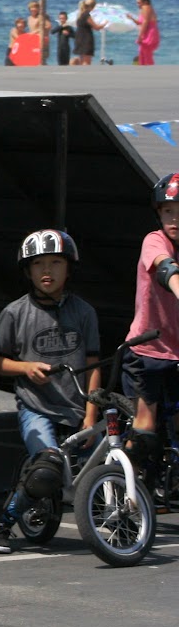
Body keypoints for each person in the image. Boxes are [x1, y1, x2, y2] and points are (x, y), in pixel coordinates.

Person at [0, 230, 100, 554]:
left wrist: (91, 414)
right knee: (46, 468)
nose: (47, 271)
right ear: (27, 271)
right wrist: (25, 368)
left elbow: (92, 364)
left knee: (108, 457)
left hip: (76, 406)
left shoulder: (84, 312)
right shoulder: (15, 313)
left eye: (55, 263)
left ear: (69, 268)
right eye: (39, 265)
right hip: (36, 408)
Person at [122, 172, 179, 484]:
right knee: (145, 426)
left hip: (176, 354)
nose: (175, 219)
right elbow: (165, 268)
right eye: (168, 211)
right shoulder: (154, 240)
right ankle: (126, 486)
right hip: (146, 351)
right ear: (159, 212)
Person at [72, 0, 105, 66]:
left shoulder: (80, 14)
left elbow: (86, 26)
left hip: (79, 38)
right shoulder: (86, 15)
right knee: (87, 60)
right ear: (93, 6)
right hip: (86, 39)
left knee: (82, 59)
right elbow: (97, 27)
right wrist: (105, 23)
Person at [135, 0, 161, 66]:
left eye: (139, 3)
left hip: (149, 33)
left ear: (145, 2)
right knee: (143, 54)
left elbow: (145, 22)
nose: (138, 5)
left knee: (146, 55)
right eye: (137, 3)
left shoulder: (146, 7)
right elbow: (142, 22)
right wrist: (131, 18)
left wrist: (140, 36)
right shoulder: (147, 8)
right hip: (149, 32)